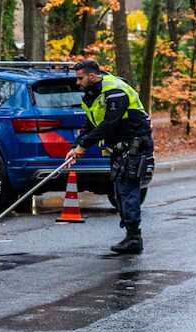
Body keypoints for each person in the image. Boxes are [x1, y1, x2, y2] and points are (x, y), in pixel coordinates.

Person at [66, 60, 154, 255]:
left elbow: (109, 123)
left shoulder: (115, 90)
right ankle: (131, 236)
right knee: (118, 189)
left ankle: (134, 238)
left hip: (134, 144)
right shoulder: (92, 96)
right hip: (118, 147)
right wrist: (75, 146)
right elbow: (90, 123)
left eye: (80, 78)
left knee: (127, 188)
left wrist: (83, 145)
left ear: (92, 76)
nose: (77, 82)